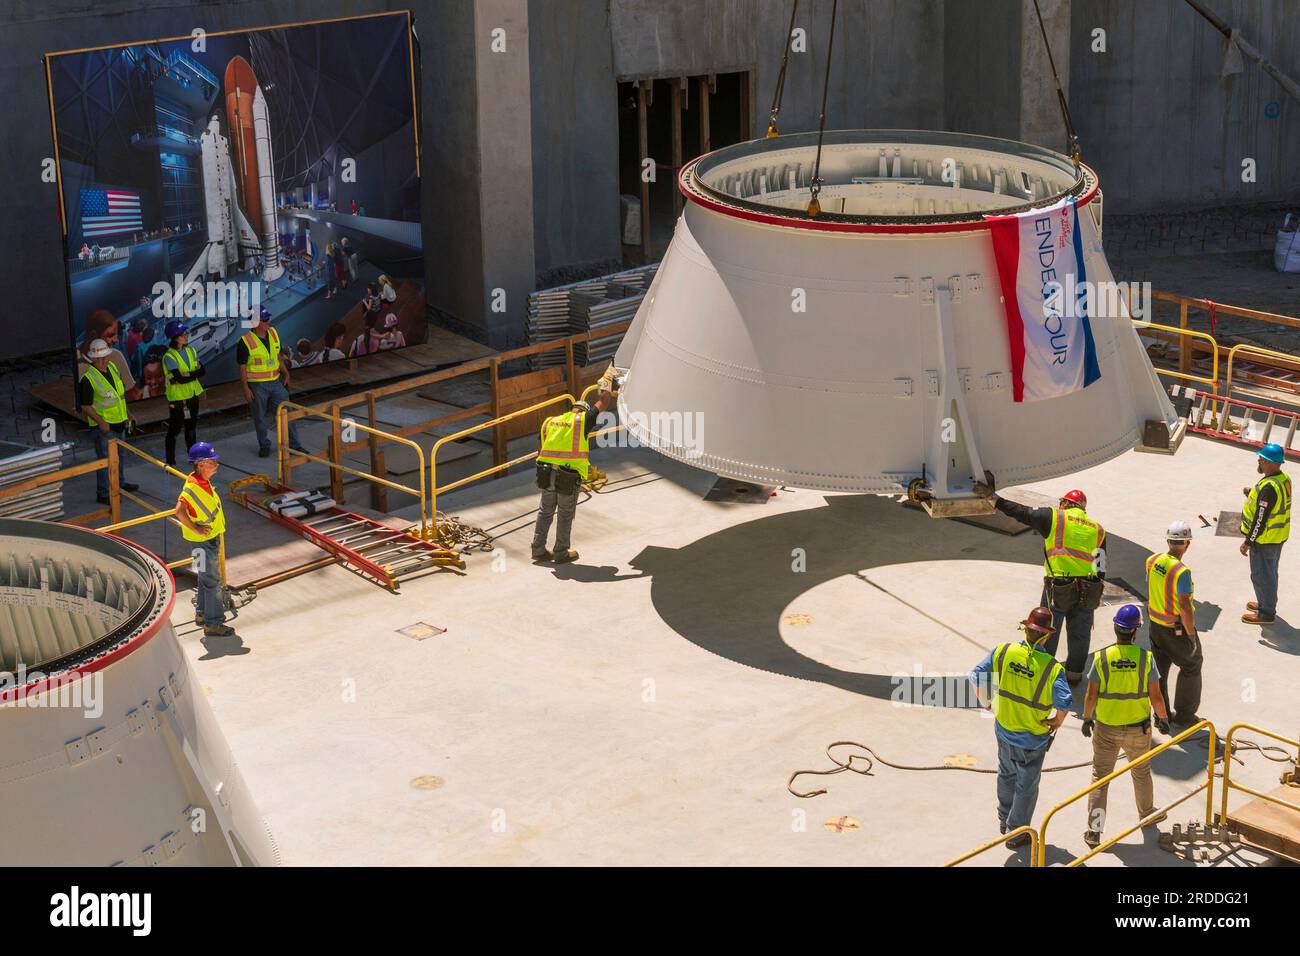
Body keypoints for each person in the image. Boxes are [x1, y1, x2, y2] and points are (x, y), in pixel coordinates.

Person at [973, 476, 1106, 684]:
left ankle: (1044, 673)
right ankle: (1073, 676)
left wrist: (993, 498)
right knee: (1080, 633)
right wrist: (1096, 590)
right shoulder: (1098, 529)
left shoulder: (1056, 517)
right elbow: (1101, 564)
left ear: (1064, 504)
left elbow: (1021, 512)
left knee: (1047, 630)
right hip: (1088, 588)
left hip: (1059, 586)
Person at [968, 607, 1072, 848]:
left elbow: (975, 676)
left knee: (1006, 774)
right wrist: (1058, 721)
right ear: (1047, 635)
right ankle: (1016, 833)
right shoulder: (1051, 667)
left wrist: (986, 702)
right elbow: (1064, 702)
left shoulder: (1004, 651)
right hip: (1032, 738)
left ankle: (1004, 820)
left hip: (1004, 728)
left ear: (1025, 629)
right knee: (1026, 785)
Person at [1080, 604, 1170, 848]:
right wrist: (1162, 718)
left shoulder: (1102, 658)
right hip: (1137, 730)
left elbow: (1090, 695)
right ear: (1135, 632)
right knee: (1141, 773)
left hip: (1106, 728)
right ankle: (1147, 814)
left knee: (1101, 777)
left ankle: (1094, 831)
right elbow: (1156, 696)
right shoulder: (1145, 659)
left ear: (1115, 629)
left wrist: (1088, 718)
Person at [530, 385, 615, 564]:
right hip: (568, 476)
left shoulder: (550, 422)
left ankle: (538, 549)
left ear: (571, 409)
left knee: (545, 511)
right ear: (583, 411)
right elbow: (604, 401)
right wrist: (607, 382)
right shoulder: (583, 420)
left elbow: (540, 449)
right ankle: (561, 552)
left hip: (546, 471)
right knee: (565, 513)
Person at [174, 442, 234, 638]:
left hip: (201, 540)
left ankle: (202, 614)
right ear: (200, 464)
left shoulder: (201, 481)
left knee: (203, 577)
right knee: (212, 582)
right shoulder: (192, 488)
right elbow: (179, 511)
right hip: (203, 541)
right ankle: (214, 623)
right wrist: (197, 529)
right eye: (212, 461)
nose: (216, 464)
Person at [1146, 519, 1202, 725]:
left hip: (1155, 625)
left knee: (1159, 670)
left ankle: (1162, 715)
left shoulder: (1152, 560)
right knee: (1192, 665)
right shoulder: (1181, 572)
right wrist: (1190, 634)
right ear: (1187, 543)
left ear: (1168, 540)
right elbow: (1185, 607)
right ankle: (1186, 716)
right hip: (1175, 629)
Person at [238, 307, 307, 459]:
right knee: (260, 417)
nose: (268, 321)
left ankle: (295, 444)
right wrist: (245, 389)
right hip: (257, 386)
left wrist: (286, 373)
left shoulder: (274, 334)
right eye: (265, 320)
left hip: (275, 382)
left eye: (268, 318)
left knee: (287, 411)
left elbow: (278, 357)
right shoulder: (245, 342)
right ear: (255, 323)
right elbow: (242, 368)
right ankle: (264, 445)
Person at [78, 338, 139, 503]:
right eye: (99, 357)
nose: (103, 360)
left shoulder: (112, 368)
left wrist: (128, 413)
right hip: (104, 428)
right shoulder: (88, 379)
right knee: (104, 461)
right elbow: (85, 406)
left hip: (119, 423)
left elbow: (119, 396)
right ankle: (103, 493)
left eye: (104, 356)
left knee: (120, 456)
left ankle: (120, 483)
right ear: (93, 358)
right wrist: (101, 422)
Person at [1240, 443, 1291, 625]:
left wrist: (1248, 541)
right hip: (1276, 537)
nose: (1259, 462)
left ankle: (1266, 613)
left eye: (1261, 459)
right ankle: (1265, 603)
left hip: (1265, 540)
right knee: (1269, 573)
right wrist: (1252, 494)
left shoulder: (1269, 487)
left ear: (1269, 462)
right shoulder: (1282, 478)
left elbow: (1260, 519)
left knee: (1262, 576)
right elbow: (1269, 504)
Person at [162, 320, 204, 466]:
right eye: (182, 334)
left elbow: (203, 371)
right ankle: (170, 461)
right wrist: (193, 373)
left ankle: (193, 457)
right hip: (178, 399)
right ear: (174, 337)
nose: (186, 335)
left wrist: (188, 374)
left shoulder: (191, 351)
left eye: (185, 333)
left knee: (191, 428)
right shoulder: (169, 357)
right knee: (174, 429)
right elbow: (180, 379)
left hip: (192, 395)